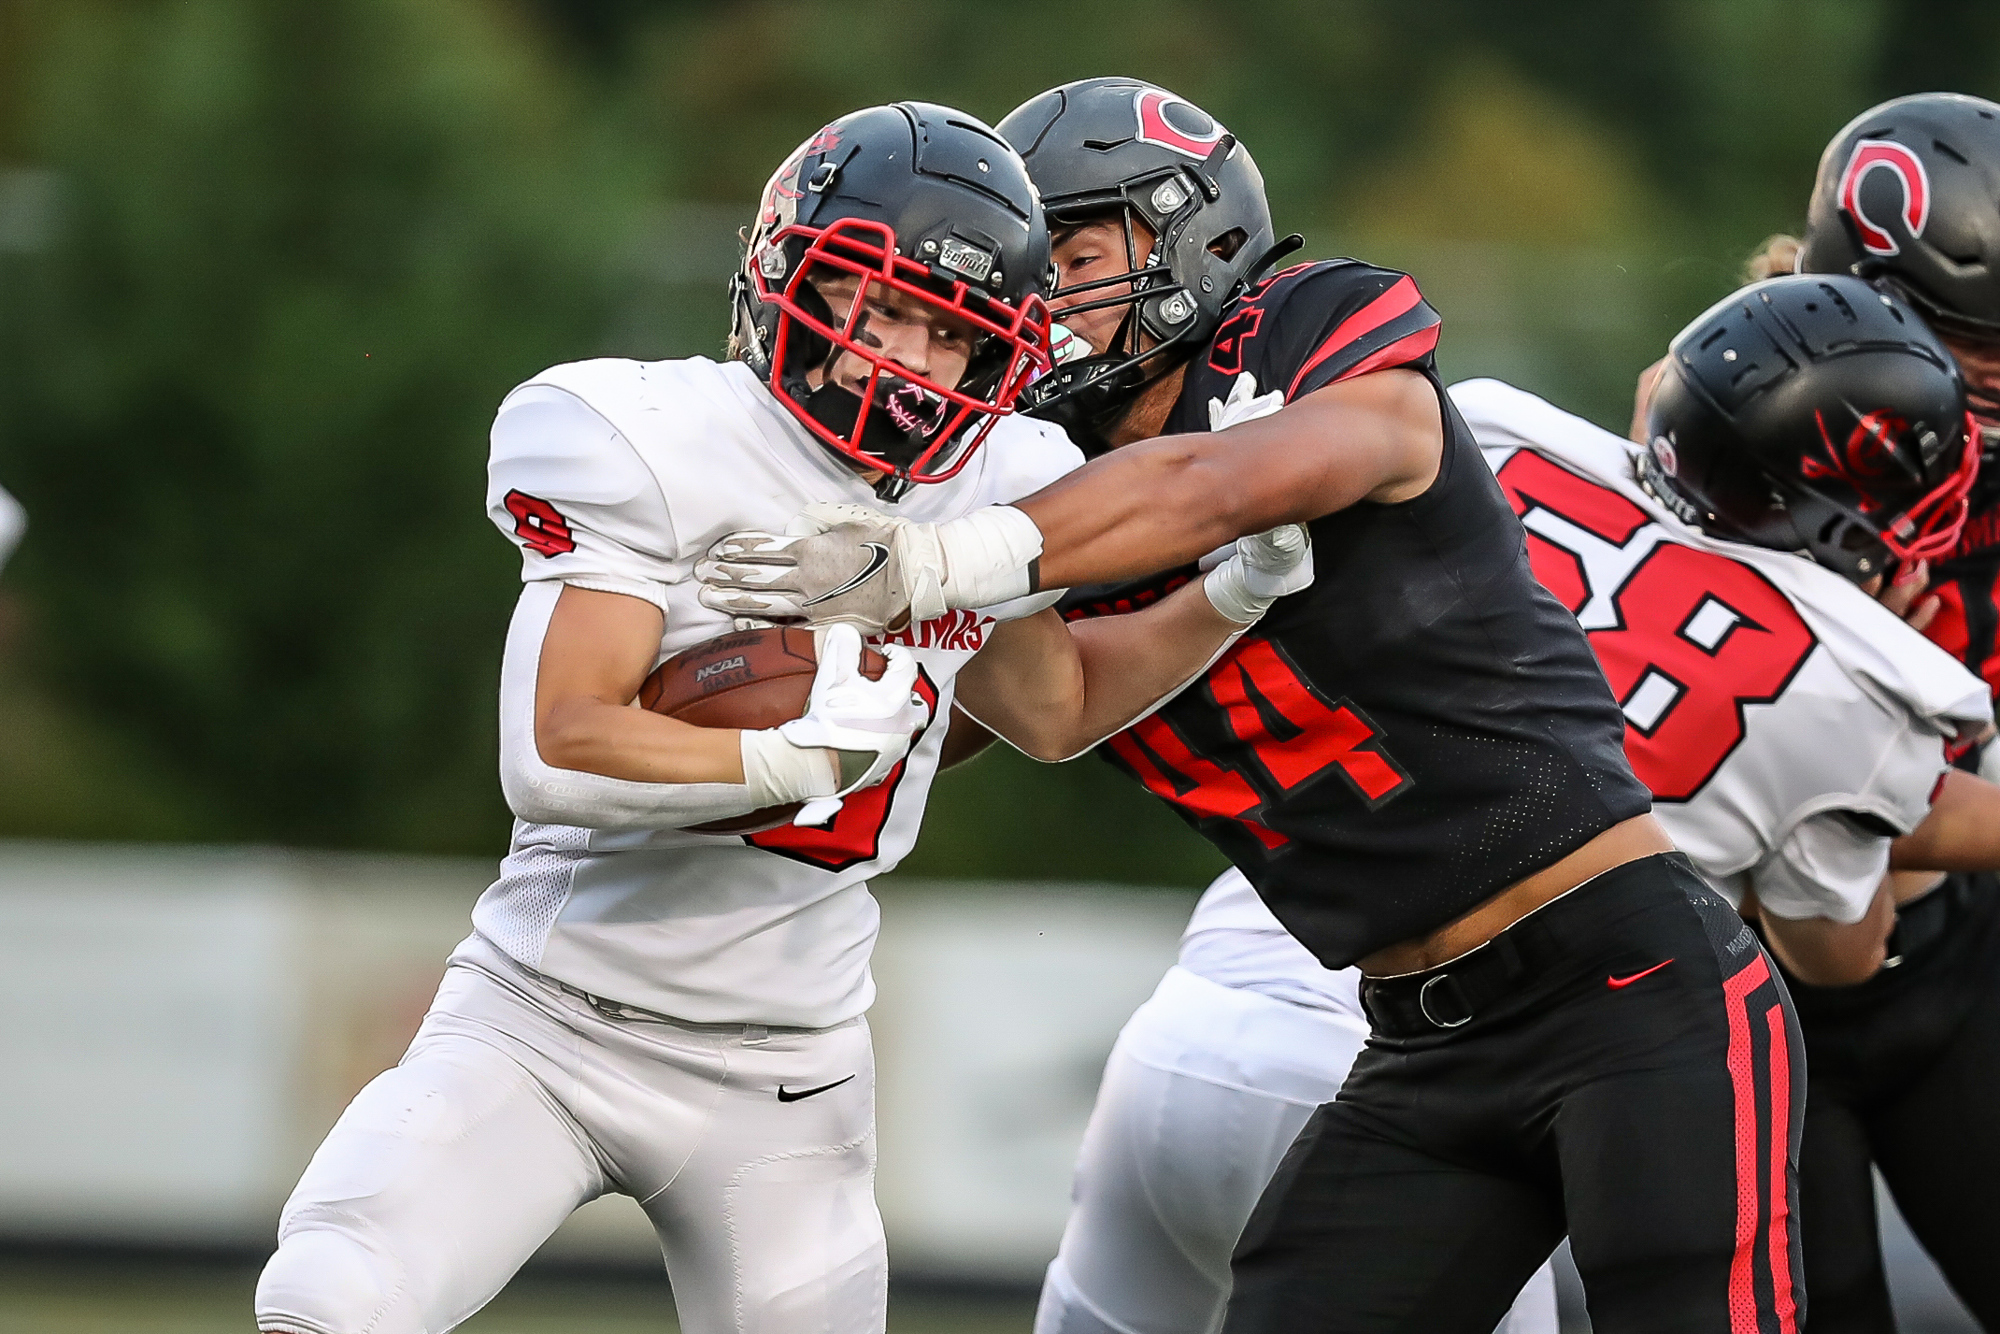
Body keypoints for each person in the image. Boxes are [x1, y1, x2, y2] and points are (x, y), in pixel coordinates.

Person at [700, 76, 1802, 1334]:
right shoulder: (1017, 478)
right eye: (1024, 267)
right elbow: (1040, 711)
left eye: (1074, 249)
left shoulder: (1294, 336)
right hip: (1417, 1041)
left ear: (1194, 233)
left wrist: (951, 559)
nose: (1042, 296)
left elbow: (1236, 475)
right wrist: (835, 645)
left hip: (1626, 975)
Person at [252, 102, 1309, 1334]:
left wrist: (1229, 594)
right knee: (333, 1294)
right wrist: (785, 754)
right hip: (549, 1018)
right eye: (881, 308)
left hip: (787, 1069)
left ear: (999, 356)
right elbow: (553, 747)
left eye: (949, 329)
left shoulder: (1001, 478)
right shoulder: (654, 438)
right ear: (786, 279)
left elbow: (1056, 706)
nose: (907, 356)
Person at [1621, 94, 2000, 1334]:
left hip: (1937, 946)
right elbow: (1820, 788)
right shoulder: (1719, 434)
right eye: (1977, 345)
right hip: (1751, 981)